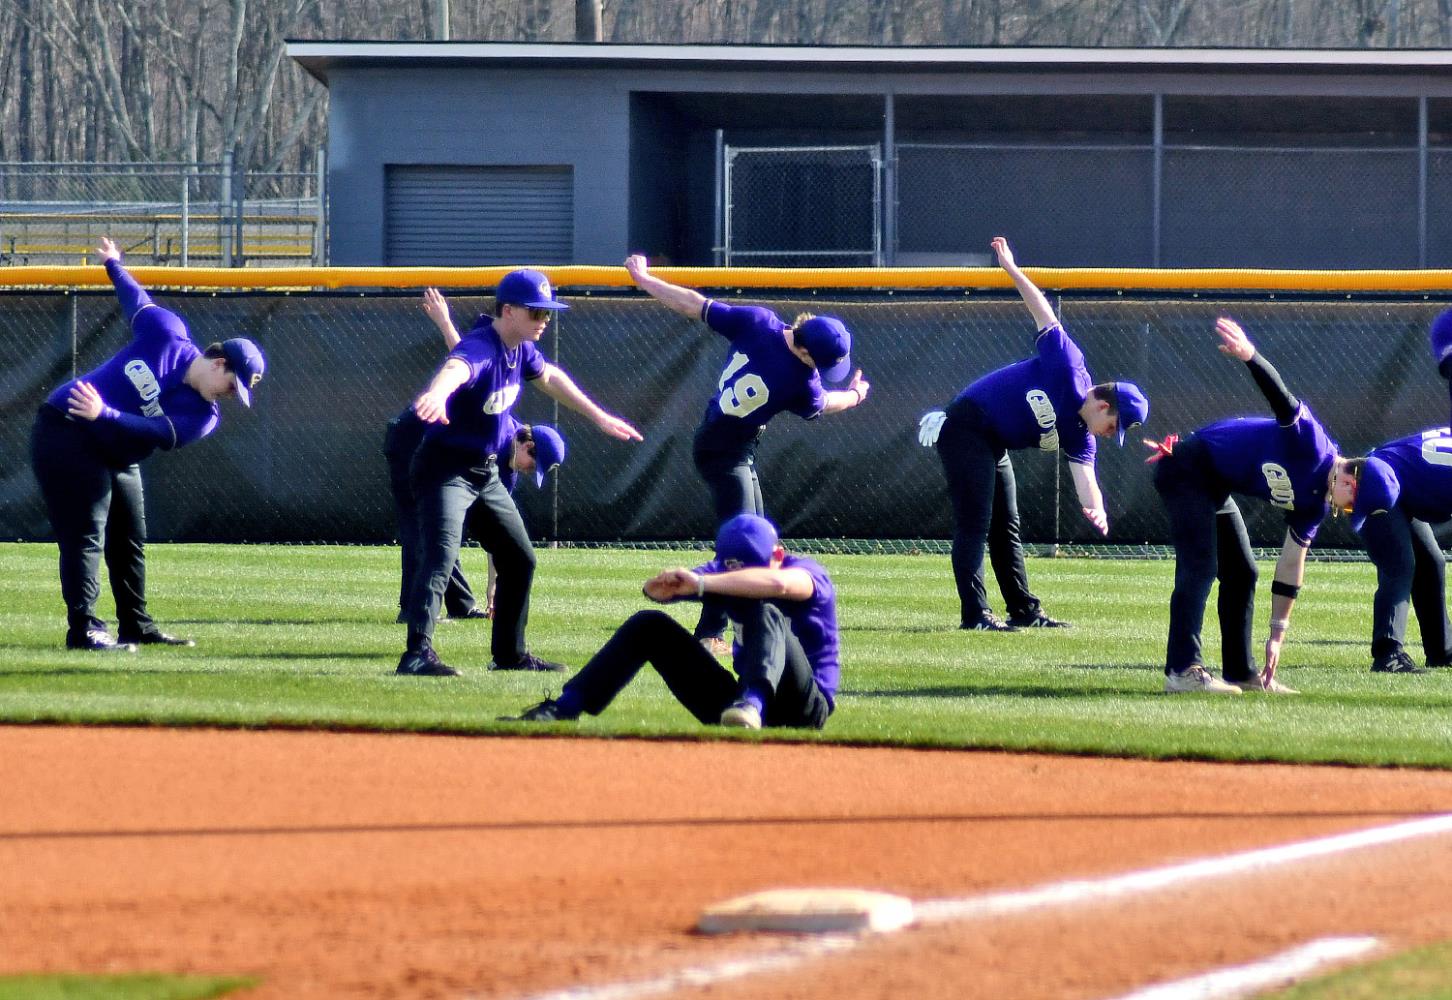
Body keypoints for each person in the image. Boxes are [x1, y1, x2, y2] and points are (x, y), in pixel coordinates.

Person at [397, 269, 641, 677]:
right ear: (507, 310)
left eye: (547, 313)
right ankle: (417, 654)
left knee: (520, 558)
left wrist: (598, 416)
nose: (543, 320)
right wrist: (437, 394)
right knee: (440, 556)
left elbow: (550, 377)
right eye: (535, 313)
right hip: (445, 470)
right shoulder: (483, 344)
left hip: (485, 473)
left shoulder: (521, 348)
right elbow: (457, 366)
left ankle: (509, 655)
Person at [623, 254, 869, 653]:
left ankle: (756, 614)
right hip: (726, 452)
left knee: (758, 535)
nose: (819, 369)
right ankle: (710, 632)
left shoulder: (759, 321)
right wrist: (856, 395)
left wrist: (645, 280)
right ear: (807, 352)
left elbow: (691, 303)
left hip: (724, 443)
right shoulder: (802, 380)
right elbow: (824, 404)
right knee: (740, 541)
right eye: (819, 363)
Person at [30, 237, 266, 652]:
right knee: (86, 533)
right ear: (219, 362)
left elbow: (155, 432)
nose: (230, 394)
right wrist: (114, 265)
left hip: (115, 445)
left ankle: (135, 625)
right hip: (66, 430)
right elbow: (135, 300)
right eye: (232, 384)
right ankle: (83, 628)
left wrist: (105, 414)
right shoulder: (167, 333)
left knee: (129, 538)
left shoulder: (203, 417)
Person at [917, 237, 1149, 632]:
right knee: (976, 523)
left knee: (1006, 525)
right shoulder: (1069, 367)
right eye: (1115, 426)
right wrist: (1011, 268)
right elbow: (1042, 310)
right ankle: (975, 615)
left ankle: (1023, 609)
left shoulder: (1081, 433)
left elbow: (1086, 480)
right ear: (1104, 405)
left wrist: (1099, 509)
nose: (1111, 434)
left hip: (993, 442)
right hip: (966, 425)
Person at [1145, 316, 1347, 695]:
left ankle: (1242, 672)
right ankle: (1182, 671)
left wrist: (1277, 636)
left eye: (1357, 493)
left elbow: (1290, 566)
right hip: (1188, 467)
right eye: (1355, 481)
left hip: (1214, 483)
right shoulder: (1315, 448)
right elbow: (1282, 400)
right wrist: (1251, 356)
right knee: (1201, 566)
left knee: (1242, 572)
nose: (1351, 490)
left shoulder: (1315, 506)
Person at [506, 514, 838, 730]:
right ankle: (563, 708)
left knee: (765, 611)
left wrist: (705, 585)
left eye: (746, 568)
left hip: (804, 708)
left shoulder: (809, 574)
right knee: (649, 625)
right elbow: (678, 585)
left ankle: (753, 703)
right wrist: (659, 590)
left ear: (777, 557)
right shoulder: (721, 573)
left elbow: (779, 585)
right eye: (730, 568)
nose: (735, 575)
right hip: (731, 706)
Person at [384, 289, 567, 623]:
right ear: (528, 445)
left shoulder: (503, 468)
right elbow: (464, 361)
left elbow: (498, 542)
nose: (530, 471)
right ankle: (413, 611)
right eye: (534, 463)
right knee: (425, 527)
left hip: (440, 447)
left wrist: (493, 591)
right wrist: (444, 323)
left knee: (447, 531)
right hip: (412, 438)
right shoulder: (495, 436)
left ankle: (462, 605)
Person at [1339, 433, 1452, 675]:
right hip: (1375, 482)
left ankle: (1443, 652)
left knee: (1431, 563)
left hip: (1397, 480)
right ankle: (1388, 655)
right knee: (1400, 565)